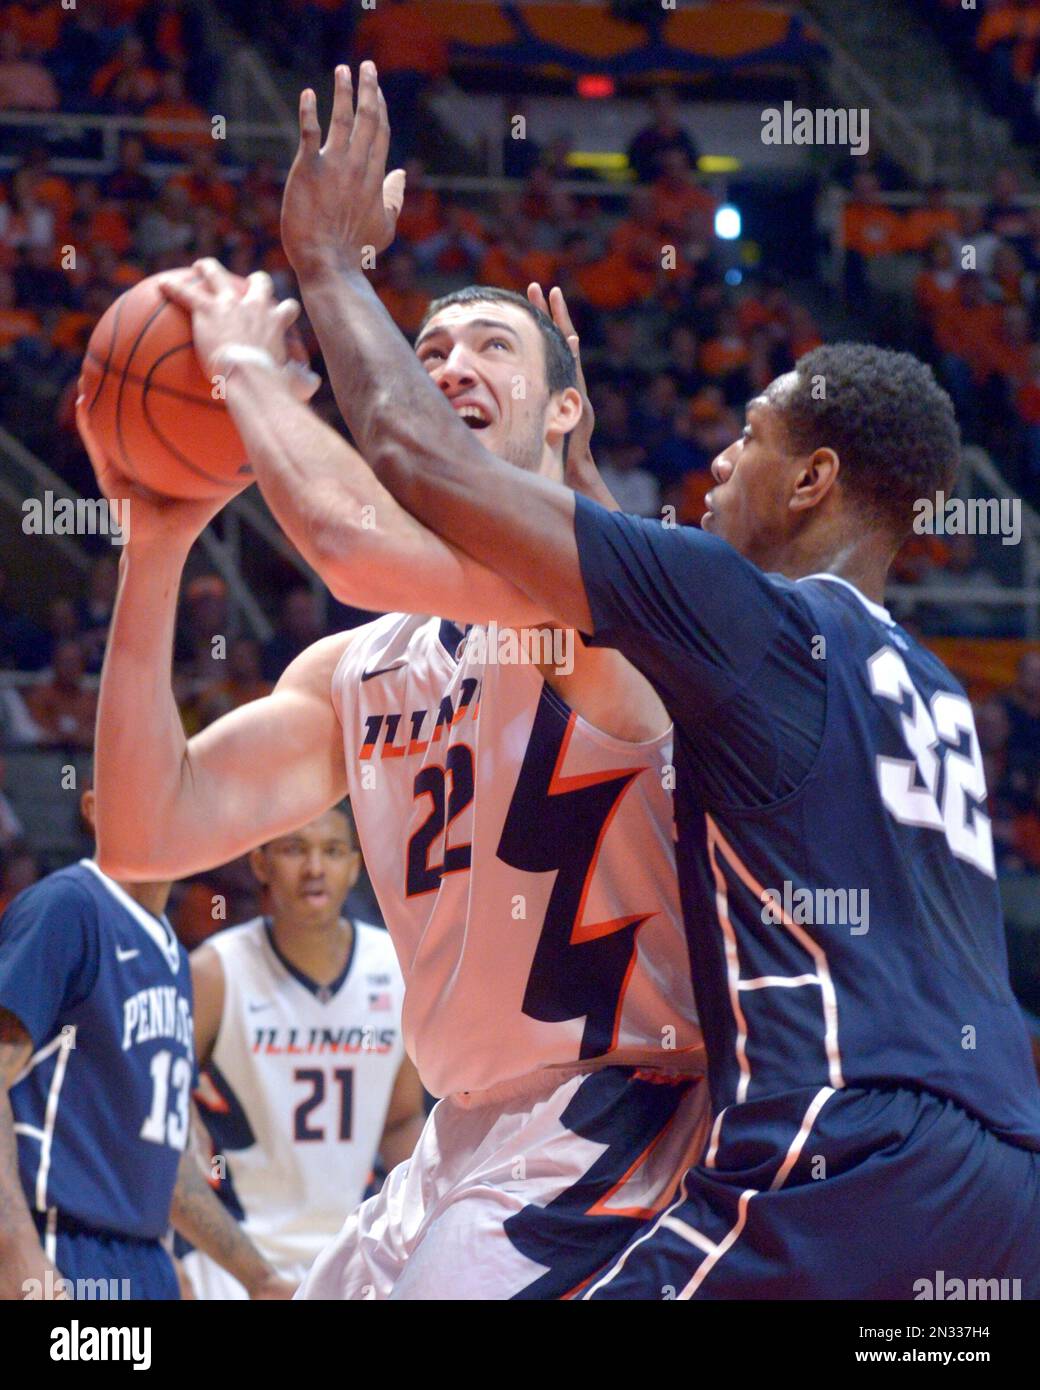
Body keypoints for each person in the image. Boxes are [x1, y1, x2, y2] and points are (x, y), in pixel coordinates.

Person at [265, 61, 1040, 1299]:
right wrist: (564, 465)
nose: (716, 462)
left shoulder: (744, 615)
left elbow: (404, 465)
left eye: (748, 437)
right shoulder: (935, 687)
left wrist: (327, 269)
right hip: (1003, 1172)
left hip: (837, 1152)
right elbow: (596, 621)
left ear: (810, 482)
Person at [80, 198, 707, 1299]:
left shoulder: (607, 586)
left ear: (566, 408)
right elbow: (143, 827)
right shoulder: (359, 668)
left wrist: (245, 369)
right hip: (462, 1134)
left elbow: (344, 545)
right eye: (427, 353)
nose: (451, 366)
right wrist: (160, 537)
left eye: (491, 347)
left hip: (610, 1118)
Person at [0, 782, 294, 1300]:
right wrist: (14, 1246)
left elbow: (170, 1165)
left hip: (142, 1259)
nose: (169, 818)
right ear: (93, 810)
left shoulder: (172, 954)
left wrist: (259, 1278)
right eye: (147, 789)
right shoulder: (68, 907)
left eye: (182, 800)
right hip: (58, 1245)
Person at [181, 802, 422, 1299]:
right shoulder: (215, 972)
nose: (315, 869)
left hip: (353, 1254)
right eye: (295, 850)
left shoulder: (395, 971)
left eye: (332, 851)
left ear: (356, 866)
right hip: (234, 1261)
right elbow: (161, 1118)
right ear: (261, 864)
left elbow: (399, 1124)